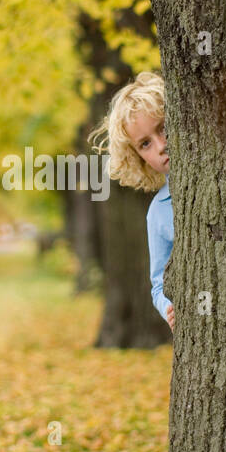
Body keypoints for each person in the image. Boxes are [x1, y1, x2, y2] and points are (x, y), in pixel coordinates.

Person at [89, 71, 174, 331]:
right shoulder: (158, 212)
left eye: (163, 128)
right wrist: (167, 306)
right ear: (136, 156)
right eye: (146, 143)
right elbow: (158, 283)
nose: (161, 146)